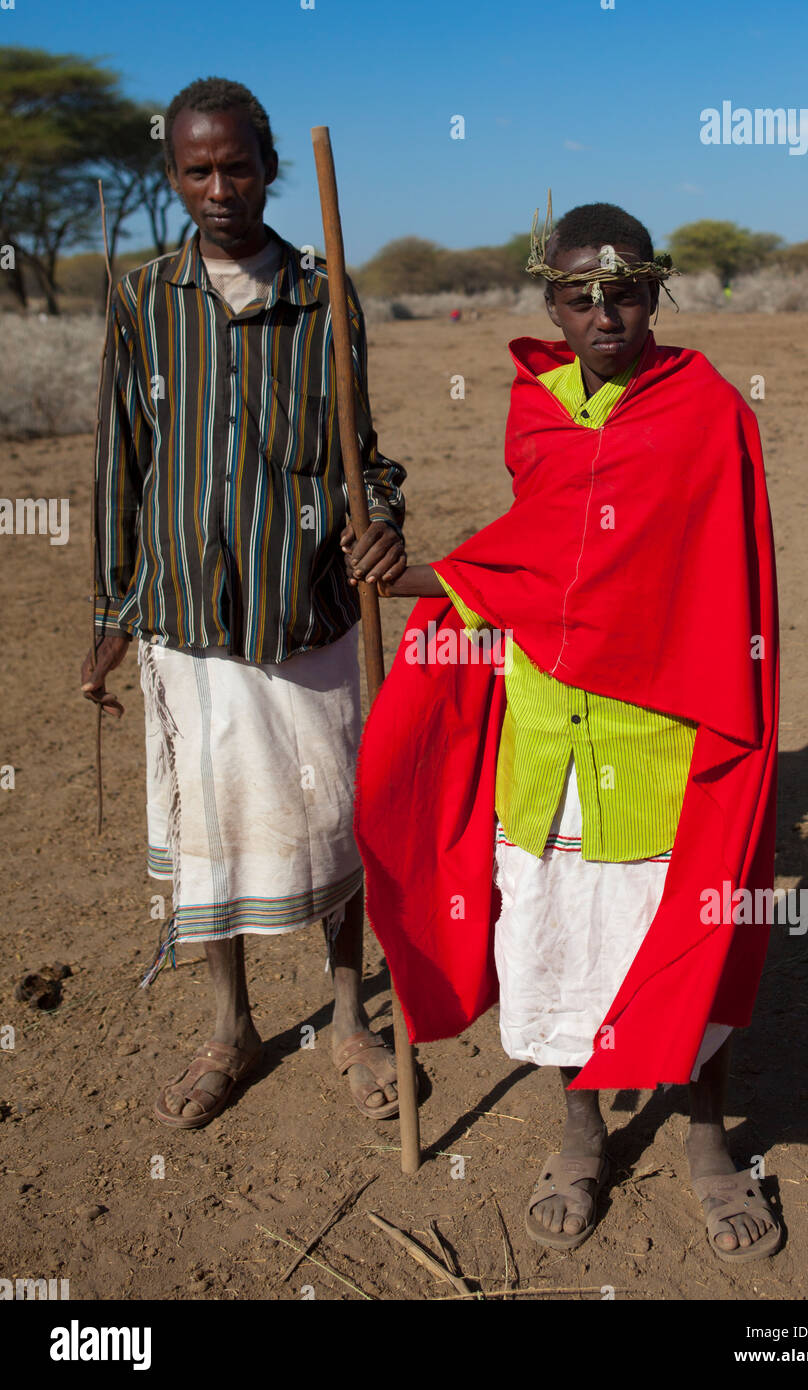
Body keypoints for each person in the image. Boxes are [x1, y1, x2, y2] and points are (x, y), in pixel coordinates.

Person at [350, 202, 781, 1261]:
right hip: (546, 721)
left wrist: (419, 576)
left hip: (662, 722)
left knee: (673, 930)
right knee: (547, 931)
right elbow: (542, 552)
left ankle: (705, 1135)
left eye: (625, 290)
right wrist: (407, 570)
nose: (604, 312)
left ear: (657, 292)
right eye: (580, 293)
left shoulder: (706, 409)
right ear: (549, 298)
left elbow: (643, 571)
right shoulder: (532, 408)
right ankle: (579, 1133)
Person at [81, 77, 408, 1130]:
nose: (218, 188)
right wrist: (108, 608)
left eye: (236, 166)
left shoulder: (325, 293)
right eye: (195, 169)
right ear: (171, 174)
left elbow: (363, 455)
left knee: (337, 822)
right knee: (209, 826)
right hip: (183, 615)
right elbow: (118, 458)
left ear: (268, 167)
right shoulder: (141, 298)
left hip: (305, 609)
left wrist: (381, 521)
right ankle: (230, 1026)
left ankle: (351, 1020)